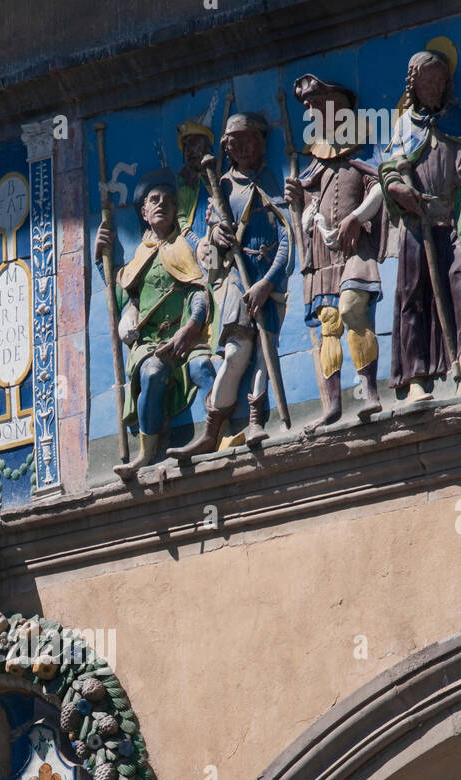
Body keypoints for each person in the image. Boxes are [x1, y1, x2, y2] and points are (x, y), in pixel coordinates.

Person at [170, 112, 291, 459]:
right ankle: (212, 429)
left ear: (261, 142)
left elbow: (286, 237)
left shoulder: (272, 179)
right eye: (235, 145)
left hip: (268, 280)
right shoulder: (223, 186)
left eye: (249, 141)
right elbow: (214, 247)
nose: (243, 149)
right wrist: (217, 234)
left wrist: (268, 283)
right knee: (238, 350)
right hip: (239, 279)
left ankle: (255, 419)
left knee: (265, 350)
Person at [379, 48, 461, 400]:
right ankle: (415, 382)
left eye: (440, 81)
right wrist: (399, 189)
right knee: (414, 299)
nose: (434, 87)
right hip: (416, 229)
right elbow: (388, 172)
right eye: (427, 81)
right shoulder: (402, 127)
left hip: (447, 226)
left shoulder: (454, 120)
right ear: (414, 84)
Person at [94, 172, 214, 477]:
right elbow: (119, 299)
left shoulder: (182, 249)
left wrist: (190, 329)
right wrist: (101, 258)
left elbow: (197, 292)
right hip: (149, 344)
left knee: (205, 368)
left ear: (176, 211)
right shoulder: (140, 256)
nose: (161, 205)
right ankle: (147, 453)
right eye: (153, 200)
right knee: (152, 372)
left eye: (167, 201)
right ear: (144, 212)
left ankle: (219, 430)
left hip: (185, 337)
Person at [285, 73, 386, 430]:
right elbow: (310, 210)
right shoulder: (316, 165)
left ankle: (370, 391)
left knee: (352, 309)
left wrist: (357, 218)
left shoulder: (363, 153)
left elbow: (378, 189)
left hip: (356, 249)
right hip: (325, 255)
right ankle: (332, 404)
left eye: (316, 107)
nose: (311, 114)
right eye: (309, 109)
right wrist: (299, 201)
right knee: (329, 324)